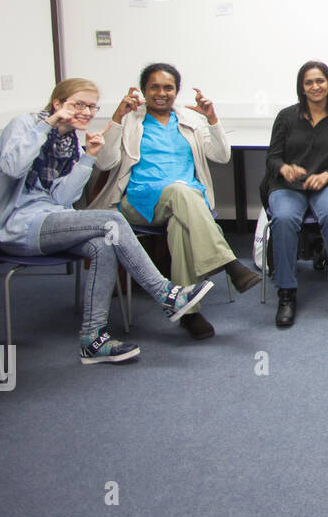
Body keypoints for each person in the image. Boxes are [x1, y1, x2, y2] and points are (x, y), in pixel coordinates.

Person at [0, 79, 214, 362]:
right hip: (18, 226)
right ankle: (167, 294)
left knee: (104, 244)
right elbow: (11, 167)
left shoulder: (69, 139)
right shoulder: (25, 125)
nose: (86, 112)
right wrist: (48, 125)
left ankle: (92, 339)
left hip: (52, 219)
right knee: (112, 221)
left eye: (91, 106)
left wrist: (88, 158)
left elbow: (61, 198)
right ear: (57, 104)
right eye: (78, 104)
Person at [89, 62, 261, 339]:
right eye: (154, 87)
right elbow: (106, 161)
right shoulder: (132, 120)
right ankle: (228, 263)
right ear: (144, 91)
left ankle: (188, 313)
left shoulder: (190, 119)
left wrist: (212, 119)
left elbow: (221, 156)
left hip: (187, 202)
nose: (161, 93)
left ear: (176, 91)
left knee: (181, 222)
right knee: (181, 192)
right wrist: (117, 118)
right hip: (140, 201)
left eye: (168, 87)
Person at [262, 60, 328, 327]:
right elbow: (272, 157)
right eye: (309, 82)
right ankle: (286, 293)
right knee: (282, 218)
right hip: (289, 186)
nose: (315, 86)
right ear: (301, 88)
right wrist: (283, 168)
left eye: (320, 81)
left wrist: (327, 175)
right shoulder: (286, 117)